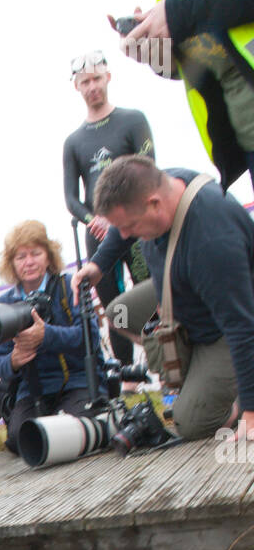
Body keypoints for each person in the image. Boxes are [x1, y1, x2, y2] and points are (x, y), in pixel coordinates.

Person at [72, 154, 254, 441]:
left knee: (191, 423)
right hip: (180, 293)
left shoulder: (212, 241)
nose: (126, 235)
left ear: (154, 204)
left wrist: (252, 415)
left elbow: (242, 327)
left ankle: (234, 400)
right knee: (118, 312)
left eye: (130, 227)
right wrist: (98, 264)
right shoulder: (155, 184)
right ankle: (189, 364)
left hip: (225, 329)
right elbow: (122, 229)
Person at [119, 0, 254, 192]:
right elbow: (197, 52)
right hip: (245, 136)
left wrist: (178, 13)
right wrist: (155, 54)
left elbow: (186, 14)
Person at [63, 50, 155, 362]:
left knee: (152, 293)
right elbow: (71, 198)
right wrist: (95, 219)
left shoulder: (133, 120)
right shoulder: (74, 142)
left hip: (138, 226)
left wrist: (119, 217)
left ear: (109, 78)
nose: (92, 87)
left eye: (97, 79)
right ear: (76, 86)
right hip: (98, 232)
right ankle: (127, 377)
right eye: (85, 81)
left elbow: (149, 169)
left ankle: (170, 367)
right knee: (112, 301)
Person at [0, 220, 108, 458]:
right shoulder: (4, 303)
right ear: (12, 263)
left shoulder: (70, 286)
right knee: (20, 439)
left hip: (77, 381)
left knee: (71, 429)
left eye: (35, 253)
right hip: (31, 391)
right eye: (21, 256)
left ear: (48, 256)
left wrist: (46, 336)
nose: (29, 261)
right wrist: (14, 360)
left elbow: (91, 338)